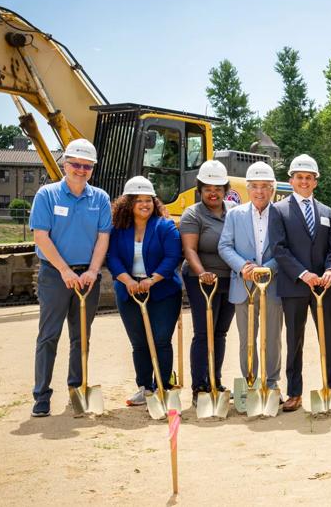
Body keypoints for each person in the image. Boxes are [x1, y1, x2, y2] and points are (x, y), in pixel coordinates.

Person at [28, 138, 112, 417]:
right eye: (75, 164)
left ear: (92, 169)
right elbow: (41, 236)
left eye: (87, 166)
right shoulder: (47, 195)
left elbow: (103, 237)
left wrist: (92, 270)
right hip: (54, 275)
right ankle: (41, 396)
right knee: (48, 336)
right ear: (65, 164)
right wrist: (64, 270)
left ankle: (77, 388)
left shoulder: (99, 198)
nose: (80, 169)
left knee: (81, 337)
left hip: (87, 276)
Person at [270, 154, 331, 412]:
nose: (304, 182)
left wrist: (330, 269)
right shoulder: (278, 210)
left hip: (322, 286)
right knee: (294, 339)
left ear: (315, 182)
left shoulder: (327, 212)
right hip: (294, 285)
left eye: (309, 178)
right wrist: (303, 274)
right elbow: (279, 249)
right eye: (300, 177)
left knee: (329, 337)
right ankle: (294, 392)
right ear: (291, 181)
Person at [106, 176, 183, 406]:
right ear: (128, 203)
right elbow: (112, 257)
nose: (144, 204)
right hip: (129, 292)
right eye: (138, 200)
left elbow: (172, 257)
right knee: (139, 343)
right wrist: (128, 280)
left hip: (162, 292)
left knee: (161, 340)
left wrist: (152, 279)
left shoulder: (164, 226)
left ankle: (163, 387)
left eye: (148, 200)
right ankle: (144, 387)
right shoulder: (118, 229)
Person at [218, 161, 282, 392]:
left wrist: (268, 268)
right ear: (248, 188)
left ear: (272, 188)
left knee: (272, 337)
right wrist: (242, 266)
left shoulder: (281, 214)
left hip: (272, 285)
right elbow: (225, 246)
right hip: (243, 285)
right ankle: (250, 382)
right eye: (255, 186)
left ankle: (272, 382)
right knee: (247, 339)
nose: (260, 191)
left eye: (265, 186)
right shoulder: (235, 215)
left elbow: (287, 249)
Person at [180, 160, 236, 404]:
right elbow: (190, 250)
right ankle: (199, 386)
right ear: (200, 190)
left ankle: (215, 379)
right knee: (204, 333)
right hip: (201, 280)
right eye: (208, 189)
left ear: (225, 190)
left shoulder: (233, 211)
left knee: (221, 332)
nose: (213, 193)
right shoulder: (193, 214)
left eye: (218, 188)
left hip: (229, 278)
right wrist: (201, 272)